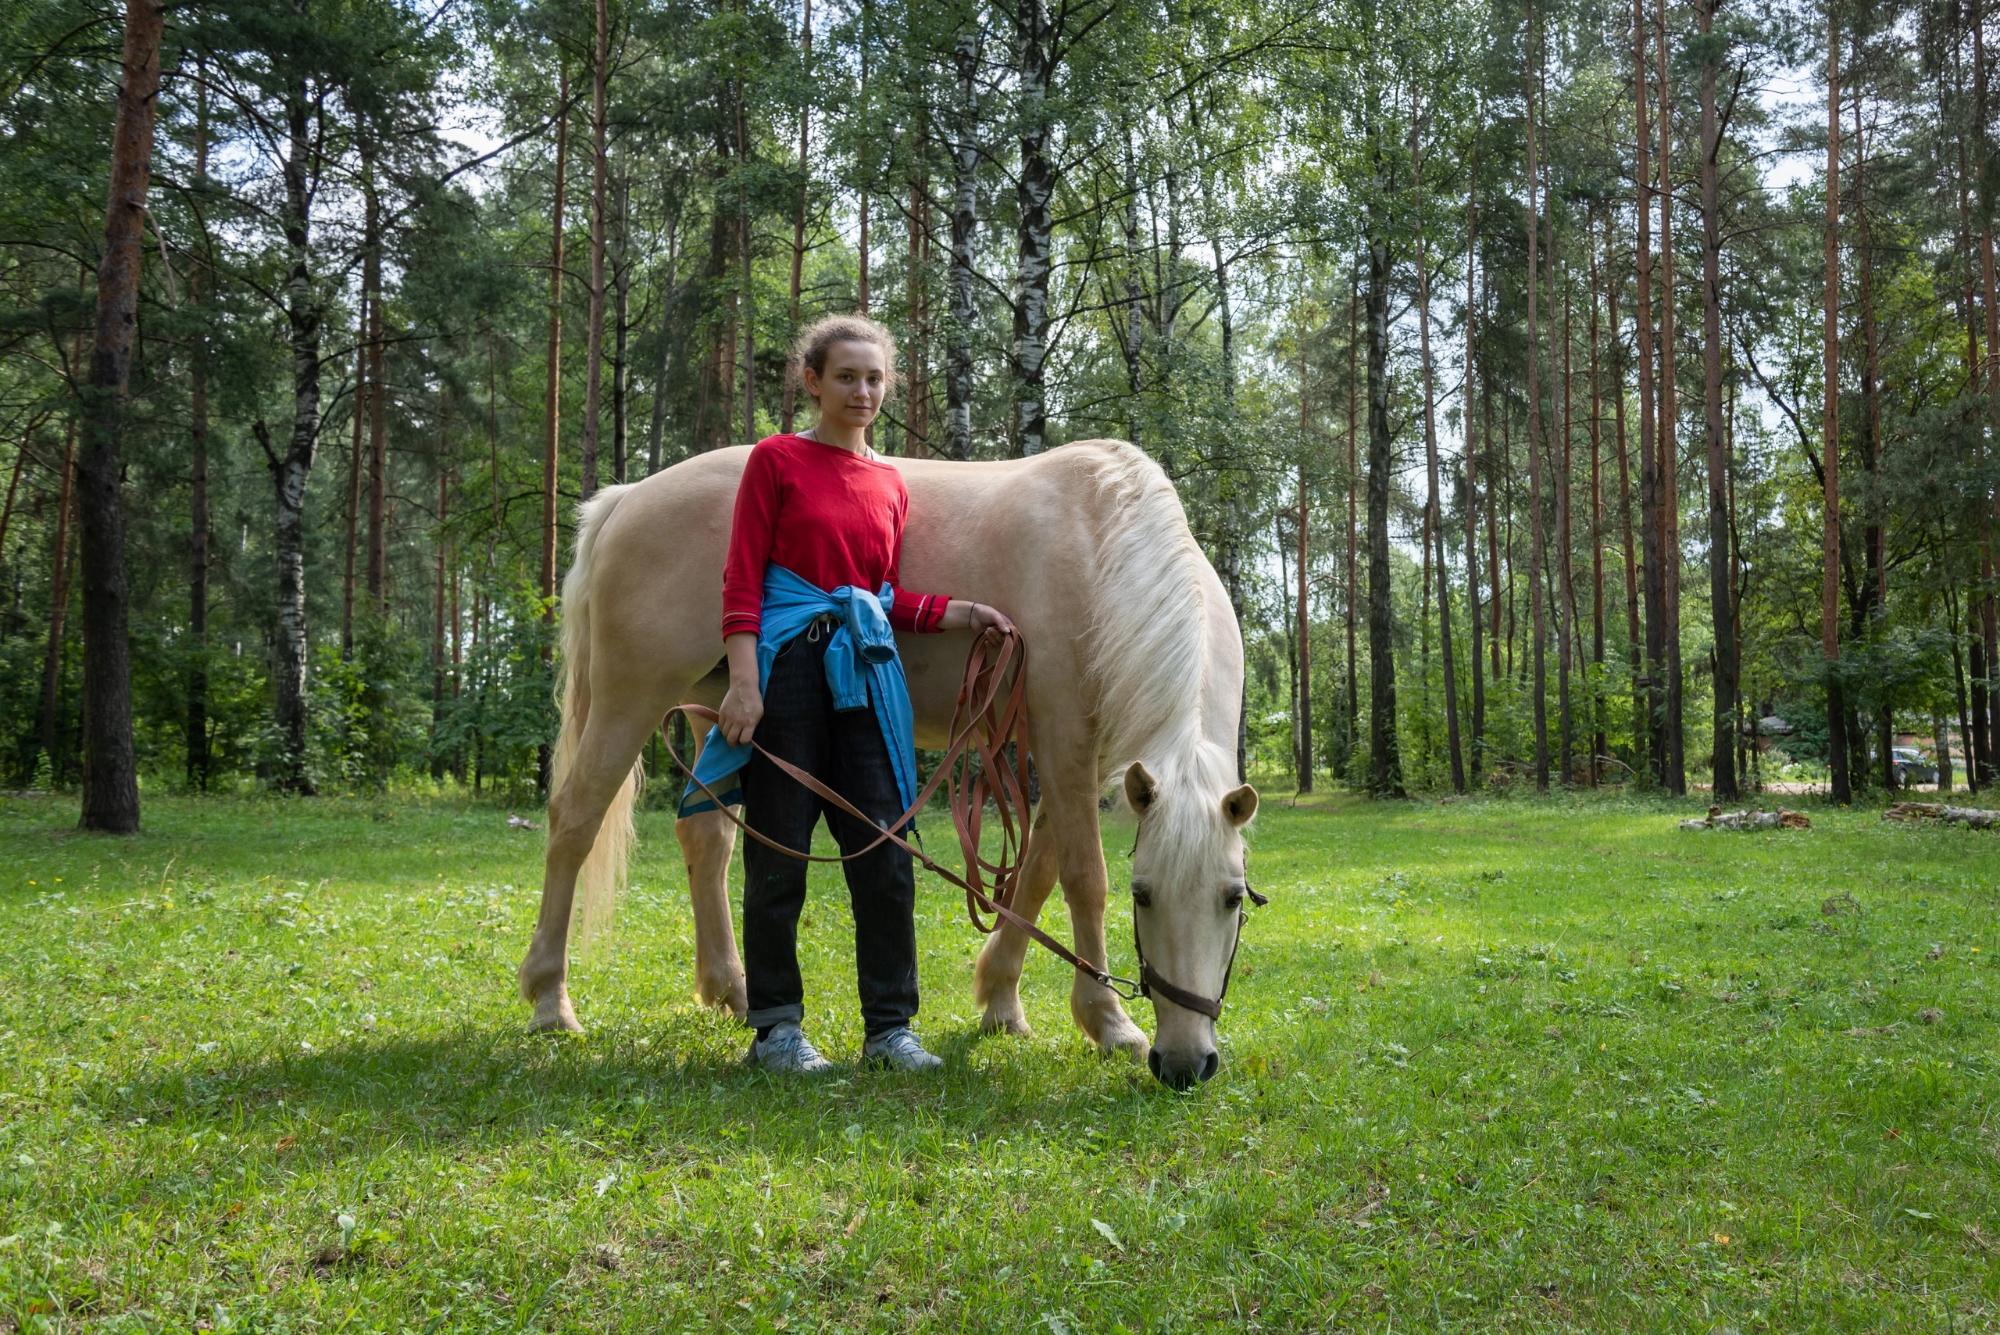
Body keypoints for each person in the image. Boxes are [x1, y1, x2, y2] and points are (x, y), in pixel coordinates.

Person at [682, 314, 1015, 1074]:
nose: (862, 391)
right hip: (787, 669)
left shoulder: (891, 484)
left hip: (866, 673)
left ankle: (890, 1029)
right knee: (780, 853)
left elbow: (878, 595)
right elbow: (743, 578)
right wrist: (743, 683)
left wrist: (957, 613)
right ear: (813, 381)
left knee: (885, 850)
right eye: (845, 377)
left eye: (873, 379)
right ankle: (775, 1030)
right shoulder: (776, 460)